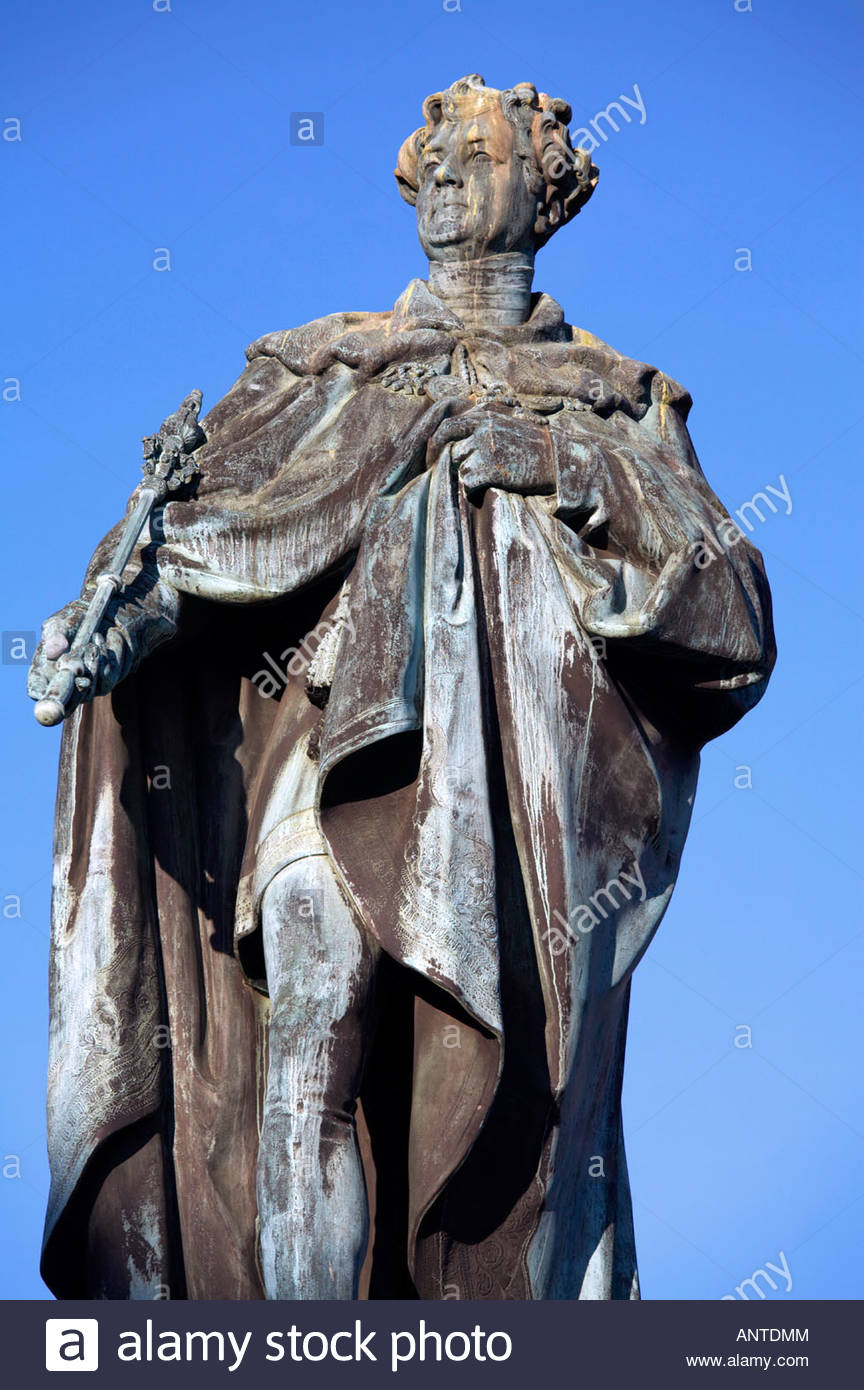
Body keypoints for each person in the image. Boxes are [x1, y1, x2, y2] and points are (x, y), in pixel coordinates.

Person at [29, 74, 775, 1300]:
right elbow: (206, 544)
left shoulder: (619, 401)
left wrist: (570, 474)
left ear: (548, 186)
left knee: (510, 1110)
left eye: (471, 154)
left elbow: (732, 607)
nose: (438, 171)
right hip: (327, 753)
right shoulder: (323, 369)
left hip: (518, 824)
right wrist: (116, 636)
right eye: (426, 156)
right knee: (310, 1025)